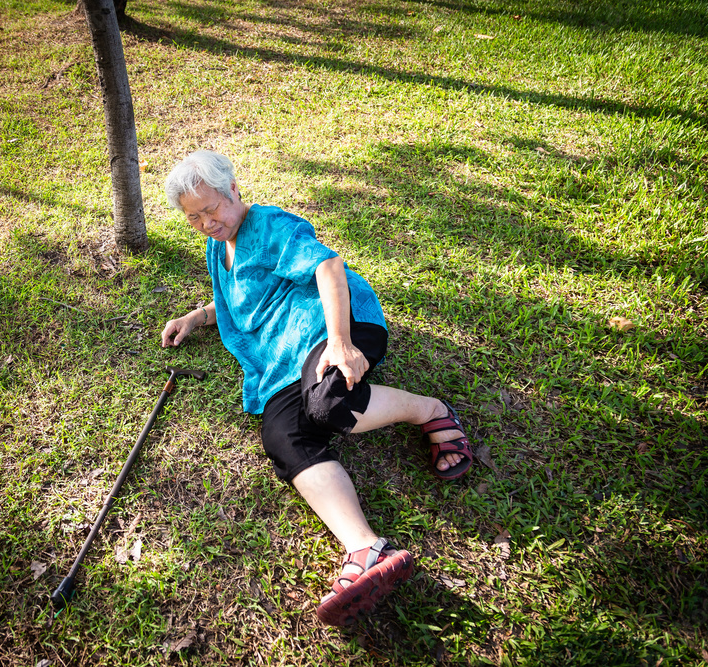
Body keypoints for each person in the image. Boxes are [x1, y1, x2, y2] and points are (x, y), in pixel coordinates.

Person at [160, 150, 474, 626]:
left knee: (327, 405)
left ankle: (428, 410)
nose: (206, 222)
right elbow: (243, 290)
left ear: (233, 192)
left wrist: (343, 343)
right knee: (283, 438)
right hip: (284, 361)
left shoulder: (268, 225)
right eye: (194, 217)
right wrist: (198, 316)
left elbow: (327, 268)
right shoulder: (215, 246)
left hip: (335, 327)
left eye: (212, 208)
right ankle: (366, 548)